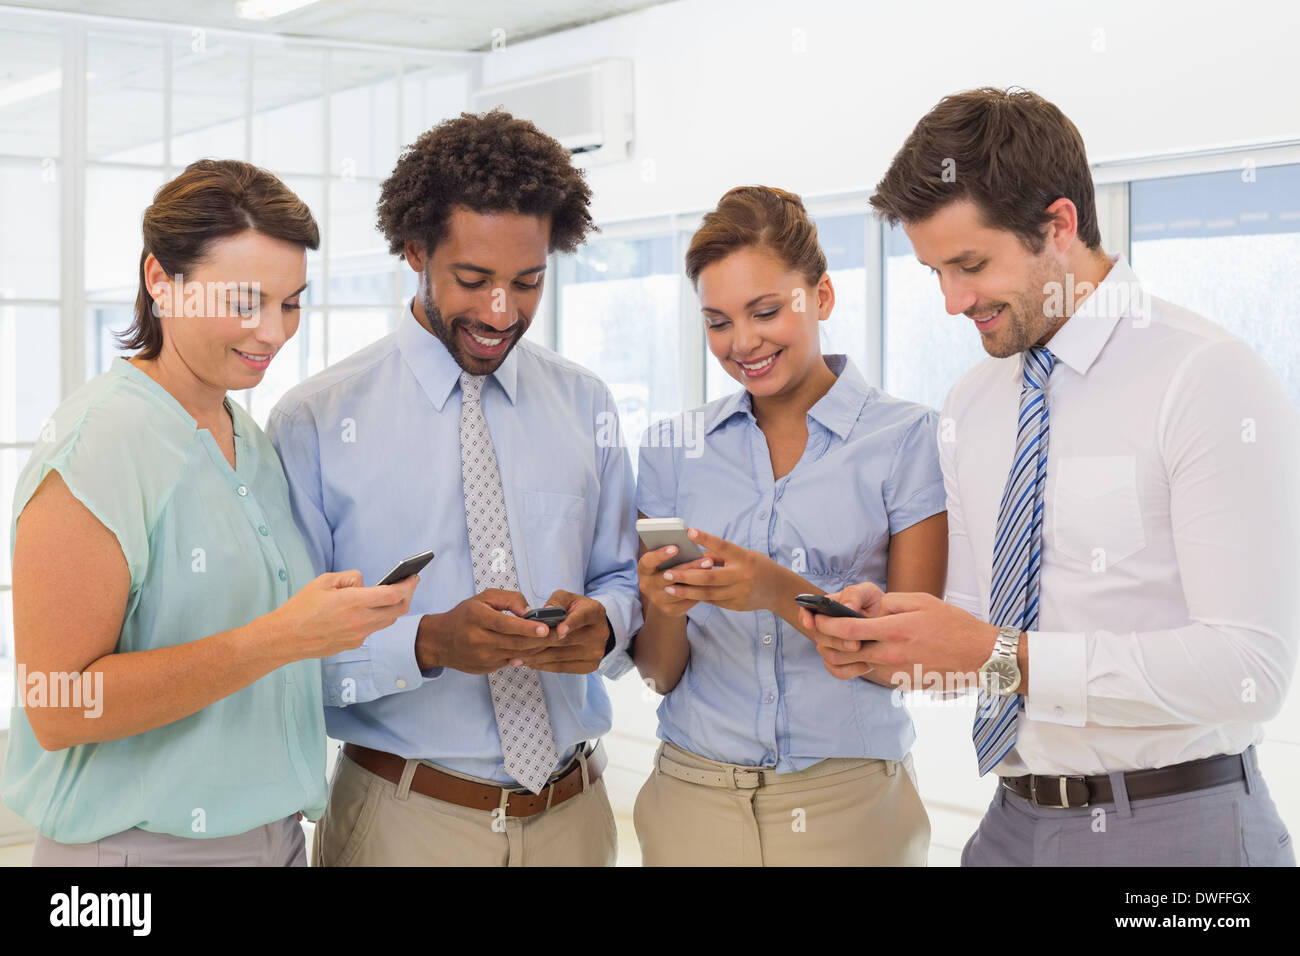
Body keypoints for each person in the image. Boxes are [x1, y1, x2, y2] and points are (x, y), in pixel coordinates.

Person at [804, 87, 1299, 866]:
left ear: (1058, 226)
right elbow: (975, 628)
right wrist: (897, 638)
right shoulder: (973, 400)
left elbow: (1249, 671)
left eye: (970, 265)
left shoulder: (1205, 378)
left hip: (1178, 826)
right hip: (1014, 821)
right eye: (935, 271)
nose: (952, 301)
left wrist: (1000, 654)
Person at [4, 159, 416, 866]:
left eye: (290, 302)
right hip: (136, 855)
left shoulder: (247, 437)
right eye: (243, 301)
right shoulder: (100, 441)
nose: (273, 331)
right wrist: (281, 637)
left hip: (275, 838)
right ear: (161, 281)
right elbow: (60, 706)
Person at [268, 109, 641, 867]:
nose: (501, 312)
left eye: (527, 282)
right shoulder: (314, 421)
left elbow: (623, 577)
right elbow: (285, 656)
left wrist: (605, 627)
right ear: (414, 250)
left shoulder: (586, 403)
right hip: (406, 821)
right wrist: (428, 643)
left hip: (576, 815)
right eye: (473, 280)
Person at [630, 185, 946, 866]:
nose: (742, 343)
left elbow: (914, 664)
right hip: (693, 798)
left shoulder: (907, 439)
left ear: (821, 297)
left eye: (765, 311)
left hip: (851, 806)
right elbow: (659, 672)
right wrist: (663, 609)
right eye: (717, 322)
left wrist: (777, 590)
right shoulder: (669, 449)